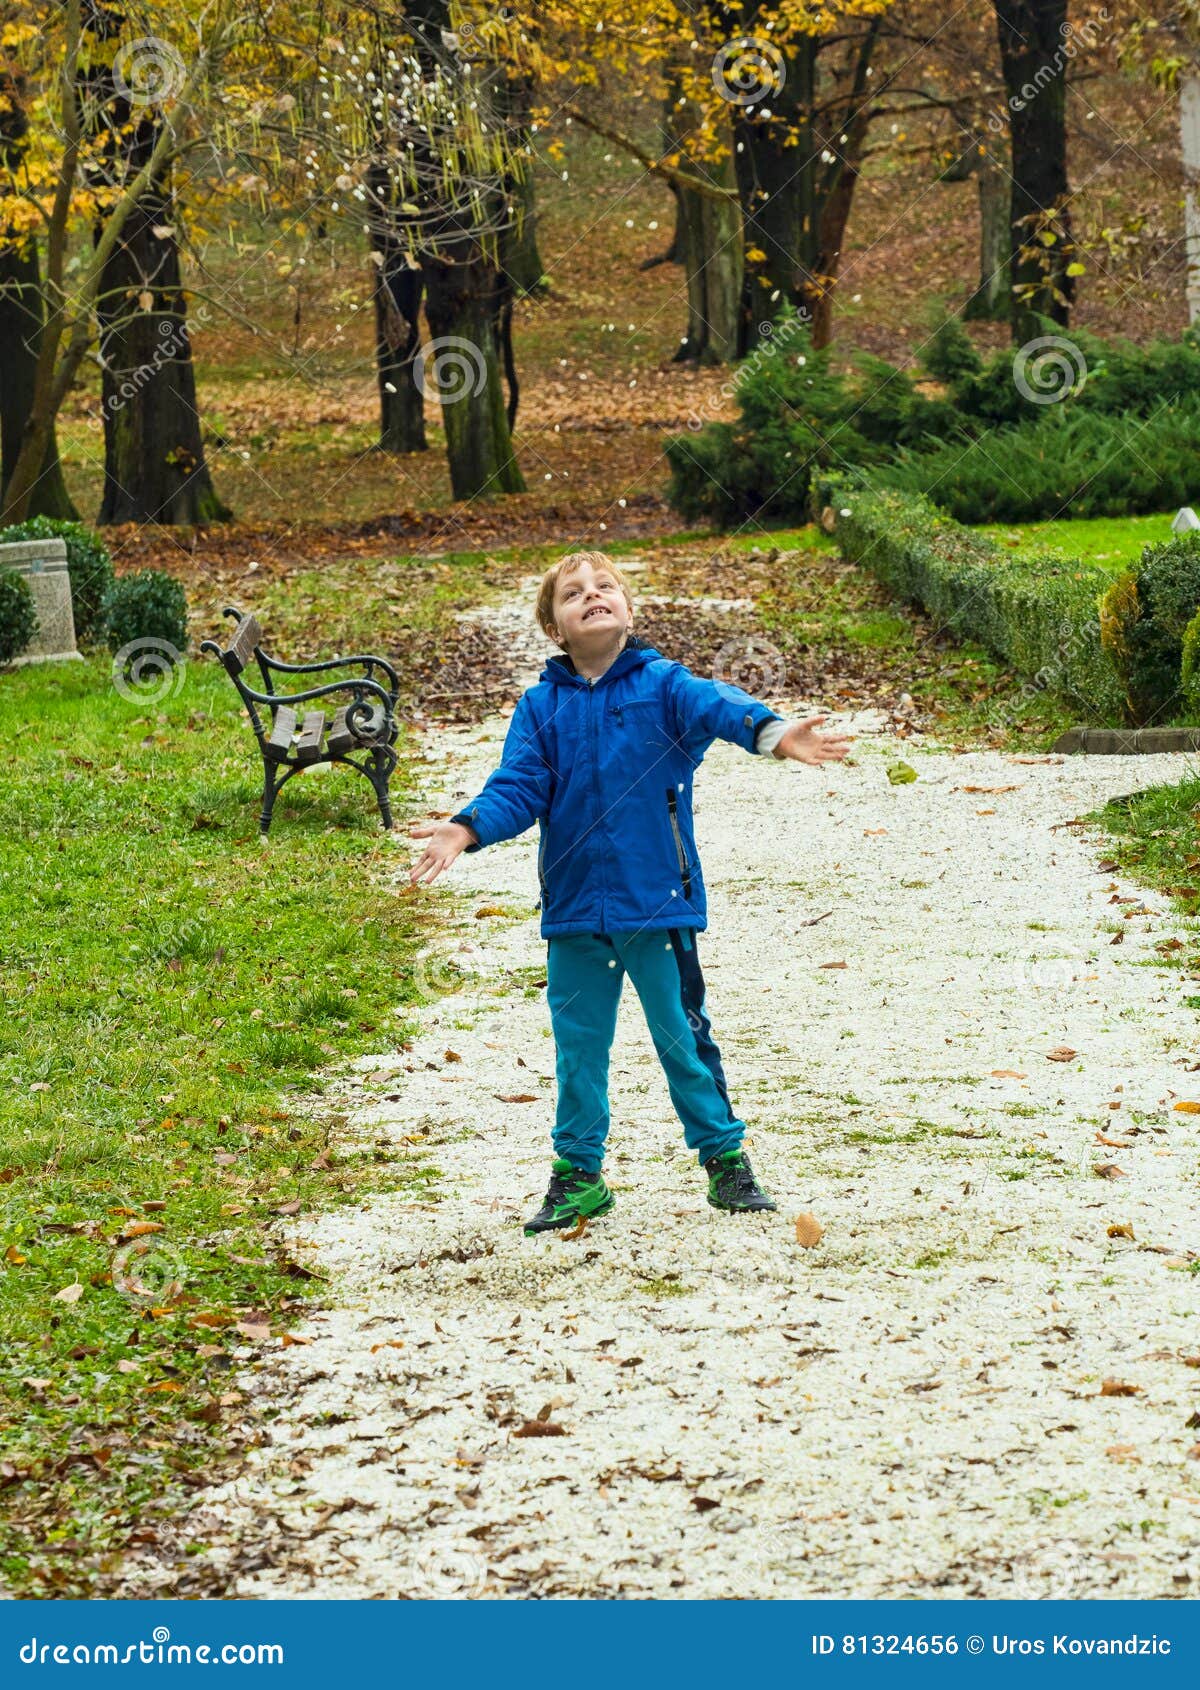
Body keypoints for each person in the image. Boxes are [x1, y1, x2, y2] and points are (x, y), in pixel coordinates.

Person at [409, 550, 852, 1234]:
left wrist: (771, 733)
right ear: (555, 628)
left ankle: (725, 1162)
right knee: (579, 1047)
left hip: (658, 903)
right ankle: (578, 1176)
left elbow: (720, 705)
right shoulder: (540, 708)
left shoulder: (663, 687)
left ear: (627, 609)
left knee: (683, 1038)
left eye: (604, 586)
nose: (592, 596)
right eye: (572, 593)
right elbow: (519, 788)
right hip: (575, 911)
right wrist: (466, 829)